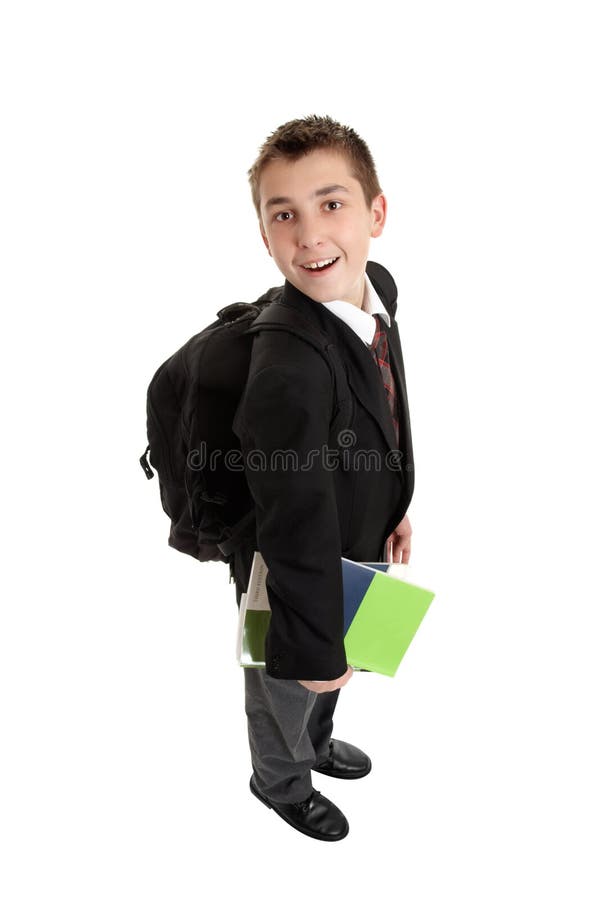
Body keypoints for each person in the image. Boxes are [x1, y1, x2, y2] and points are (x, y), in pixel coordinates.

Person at [231, 115, 414, 841]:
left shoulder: (377, 291)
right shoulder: (286, 369)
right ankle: (280, 780)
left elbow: (383, 407)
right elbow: (291, 522)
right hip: (287, 562)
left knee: (344, 660)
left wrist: (395, 500)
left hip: (355, 530)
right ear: (265, 234)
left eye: (331, 204)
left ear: (376, 213)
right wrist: (309, 647)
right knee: (285, 678)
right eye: (284, 215)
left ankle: (316, 737)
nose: (309, 235)